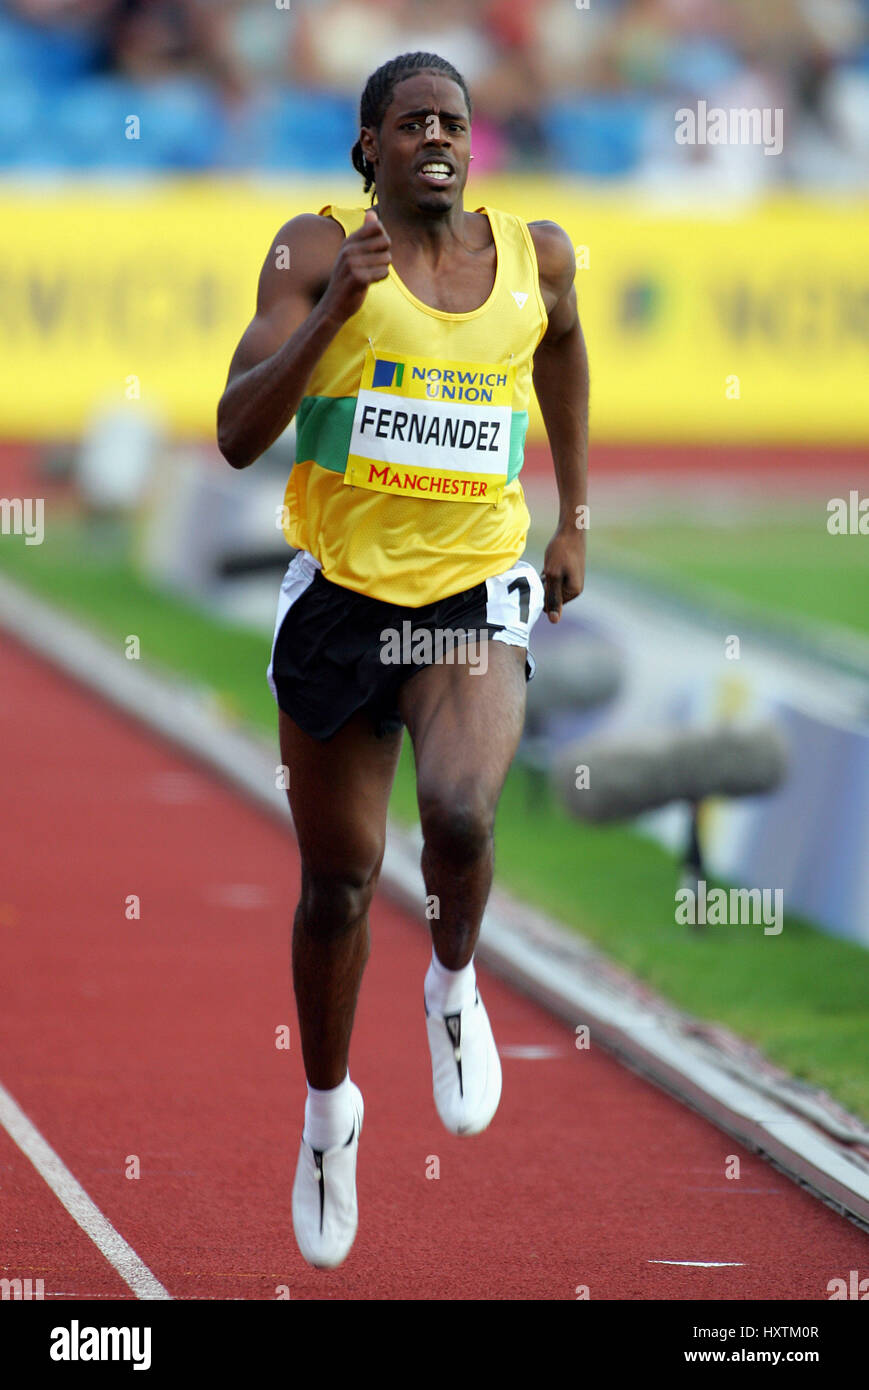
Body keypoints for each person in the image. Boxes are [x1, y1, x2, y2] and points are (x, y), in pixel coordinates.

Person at [217, 50, 588, 1270]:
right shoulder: (312, 250)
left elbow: (563, 349)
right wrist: (330, 315)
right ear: (367, 146)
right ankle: (329, 1115)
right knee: (336, 885)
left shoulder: (534, 256)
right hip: (338, 599)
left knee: (461, 816)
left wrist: (573, 513)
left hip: (472, 591)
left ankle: (451, 985)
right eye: (411, 121)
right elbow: (233, 433)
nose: (438, 135)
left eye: (454, 121)